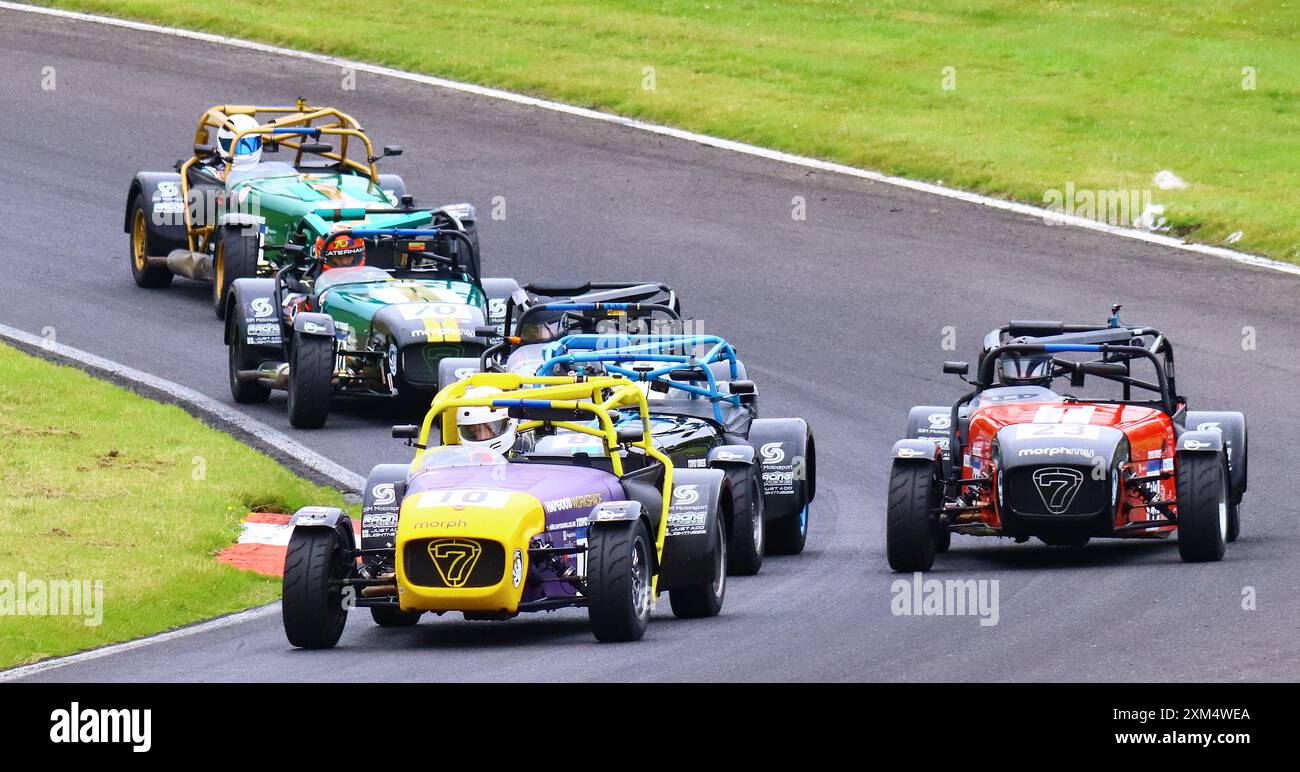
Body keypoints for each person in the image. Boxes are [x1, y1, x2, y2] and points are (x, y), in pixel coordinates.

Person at [456, 387, 519, 455]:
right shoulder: (456, 461)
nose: (482, 437)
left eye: (491, 428)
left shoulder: (525, 448)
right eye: (474, 431)